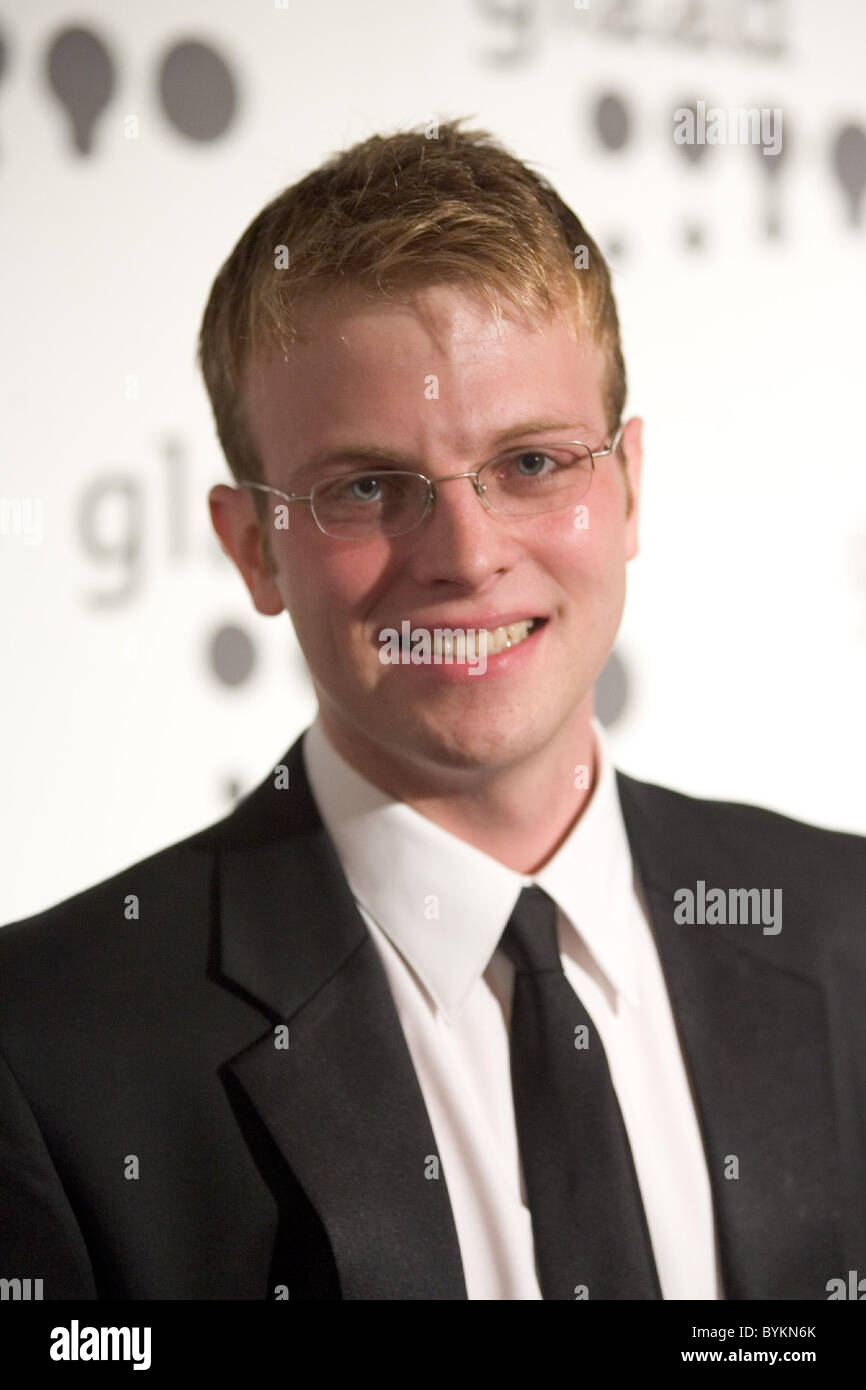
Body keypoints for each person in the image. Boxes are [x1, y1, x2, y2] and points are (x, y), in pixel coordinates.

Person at [1, 119, 864, 1302]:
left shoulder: (844, 930)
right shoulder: (45, 1050)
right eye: (366, 486)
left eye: (529, 464)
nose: (465, 555)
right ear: (252, 549)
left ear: (625, 491)